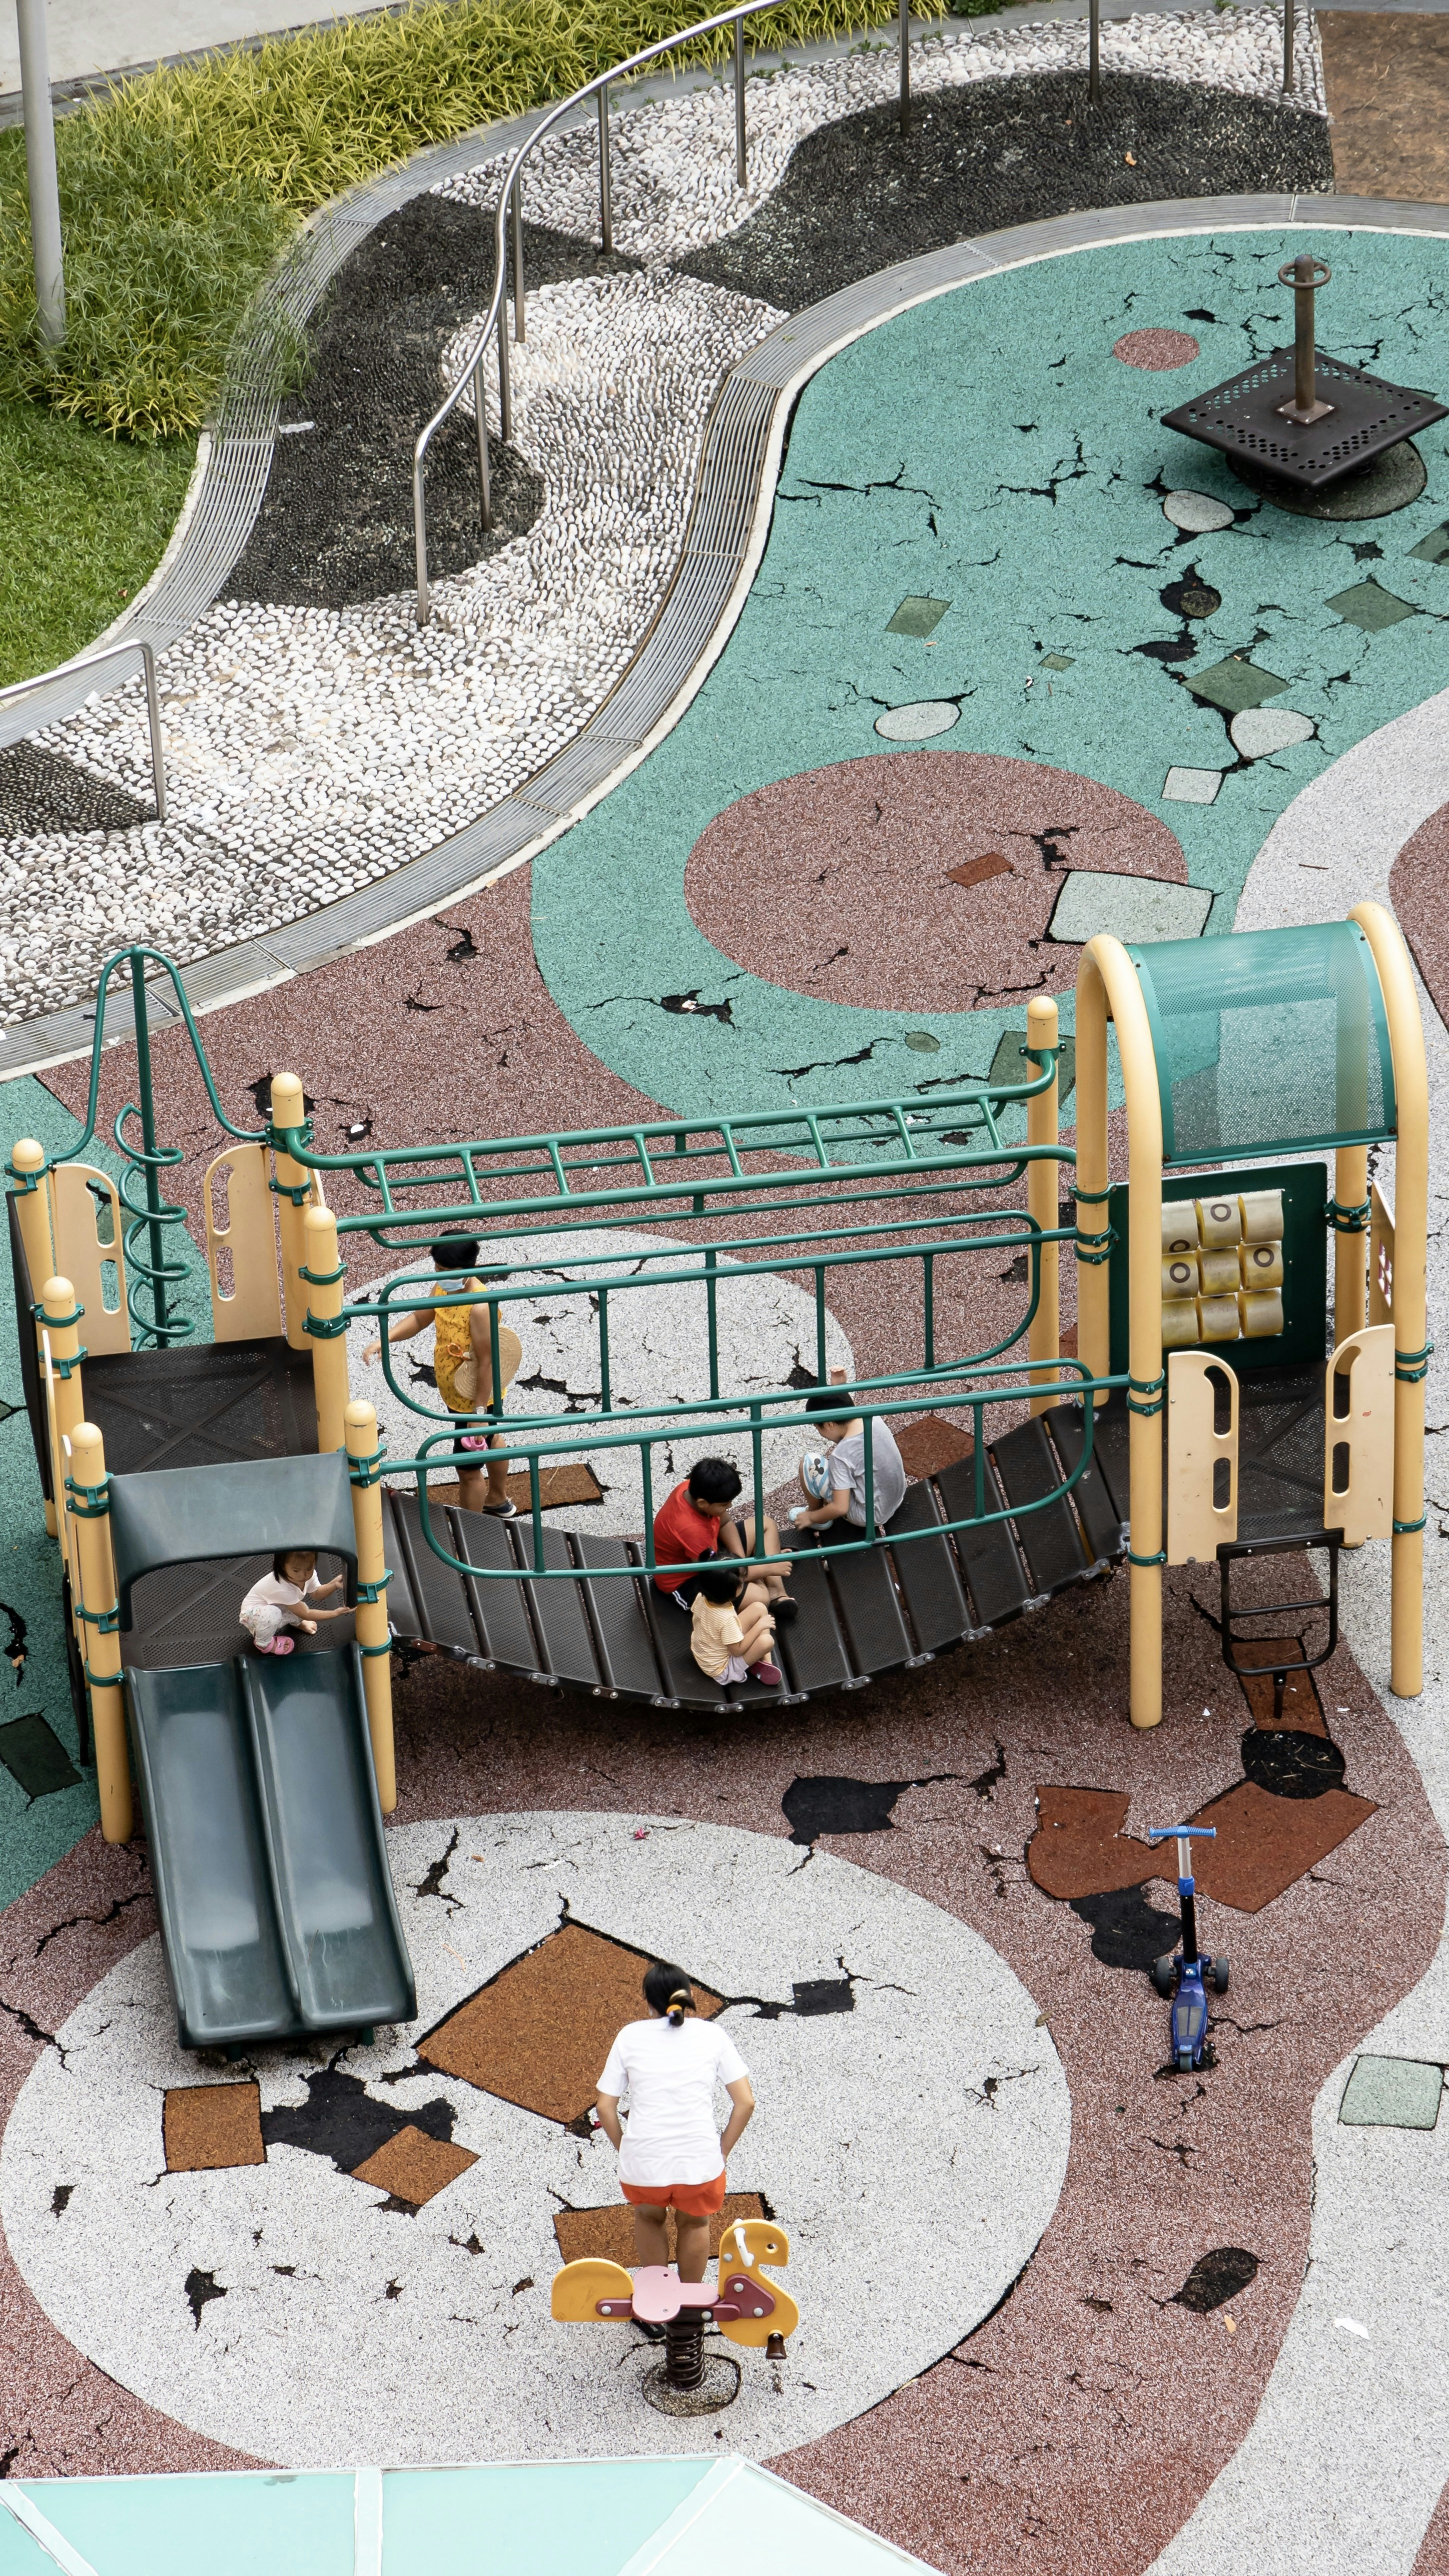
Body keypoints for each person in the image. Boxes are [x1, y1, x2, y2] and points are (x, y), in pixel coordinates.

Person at [594, 1962, 755, 2295]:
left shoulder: (630, 2036)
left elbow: (605, 2107)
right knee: (695, 2223)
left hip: (644, 2163)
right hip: (700, 2162)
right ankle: (690, 2305)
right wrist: (721, 2150)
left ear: (648, 2003)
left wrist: (627, 2150)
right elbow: (746, 2103)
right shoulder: (713, 2035)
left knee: (650, 2219)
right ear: (689, 1996)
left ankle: (658, 2299)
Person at [362, 1233, 520, 1516]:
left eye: (447, 1272)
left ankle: (472, 1530)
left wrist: (479, 1415)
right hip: (458, 1392)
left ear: (471, 1267)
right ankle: (498, 1498)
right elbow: (421, 1317)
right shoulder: (446, 1288)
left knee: (468, 1469)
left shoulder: (480, 1307)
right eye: (438, 1270)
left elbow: (487, 1362)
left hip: (473, 1398)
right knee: (494, 1439)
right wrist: (385, 1339)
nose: (441, 1276)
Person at [651, 1456, 788, 1685]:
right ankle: (768, 1587)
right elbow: (714, 1574)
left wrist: (742, 1563)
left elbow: (724, 1523)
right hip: (689, 1580)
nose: (730, 1508)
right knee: (759, 1597)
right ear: (703, 1503)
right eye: (725, 1505)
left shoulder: (692, 1489)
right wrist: (764, 1568)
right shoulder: (691, 1529)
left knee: (766, 1524)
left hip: (715, 1556)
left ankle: (777, 1591)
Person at [791, 1378, 907, 1543]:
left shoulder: (841, 1455)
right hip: (896, 1495)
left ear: (829, 1425)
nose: (820, 1433)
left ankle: (818, 1518)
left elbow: (840, 1507)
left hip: (870, 1515)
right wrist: (839, 1388)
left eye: (818, 1428)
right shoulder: (873, 1418)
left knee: (810, 1463)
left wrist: (811, 1517)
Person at [240, 1549, 348, 1656]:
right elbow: (307, 1614)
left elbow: (317, 1594)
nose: (303, 1576)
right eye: (296, 1571)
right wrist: (335, 1613)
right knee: (281, 1612)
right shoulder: (282, 1587)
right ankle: (263, 1644)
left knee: (298, 1606)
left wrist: (334, 1585)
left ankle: (297, 1623)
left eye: (309, 1569)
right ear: (282, 1566)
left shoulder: (309, 1576)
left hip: (279, 1606)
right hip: (253, 1615)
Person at [689, 1560, 776, 1688]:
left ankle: (765, 1664)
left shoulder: (702, 1597)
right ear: (735, 1592)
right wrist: (759, 1626)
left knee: (760, 1607)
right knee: (767, 1642)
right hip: (722, 1668)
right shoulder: (726, 1619)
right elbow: (737, 1651)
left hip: (707, 1651)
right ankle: (763, 1663)